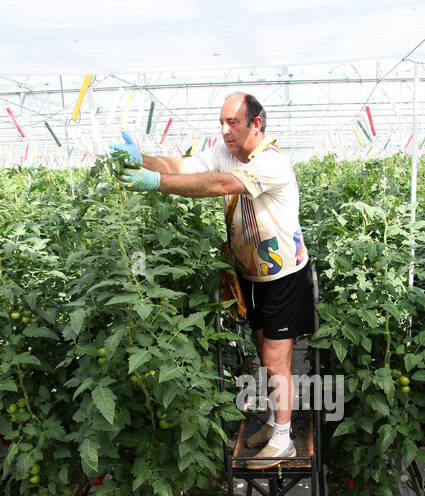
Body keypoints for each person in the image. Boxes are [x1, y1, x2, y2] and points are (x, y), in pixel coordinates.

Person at [111, 92, 312, 468]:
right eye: (221, 122)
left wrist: (155, 182)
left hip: (284, 275)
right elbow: (183, 165)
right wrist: (142, 159)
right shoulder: (224, 151)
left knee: (276, 356)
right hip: (251, 274)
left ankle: (284, 440)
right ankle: (274, 421)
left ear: (256, 124)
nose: (224, 130)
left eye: (232, 122)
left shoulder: (272, 163)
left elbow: (219, 185)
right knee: (262, 352)